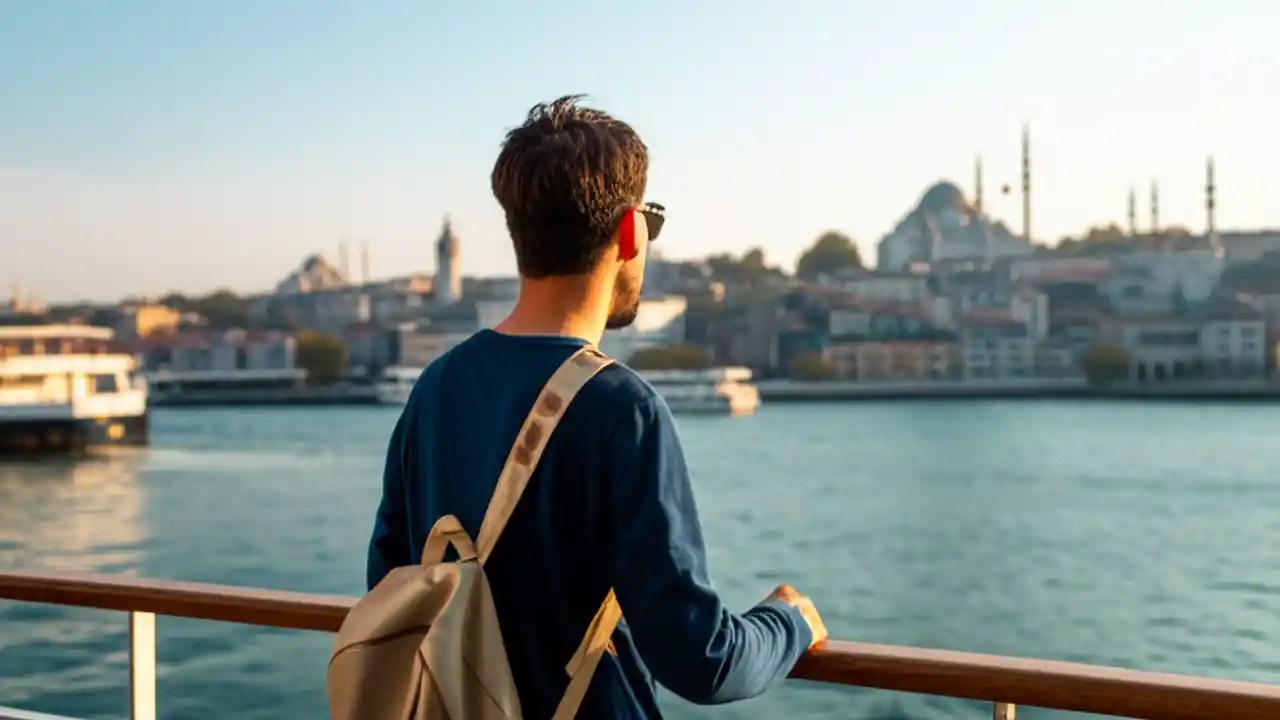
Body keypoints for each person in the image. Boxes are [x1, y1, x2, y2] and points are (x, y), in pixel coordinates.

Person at [366, 94, 826, 719]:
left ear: (518, 232)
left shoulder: (435, 387)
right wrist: (788, 621)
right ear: (632, 231)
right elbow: (700, 659)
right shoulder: (621, 409)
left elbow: (390, 587)